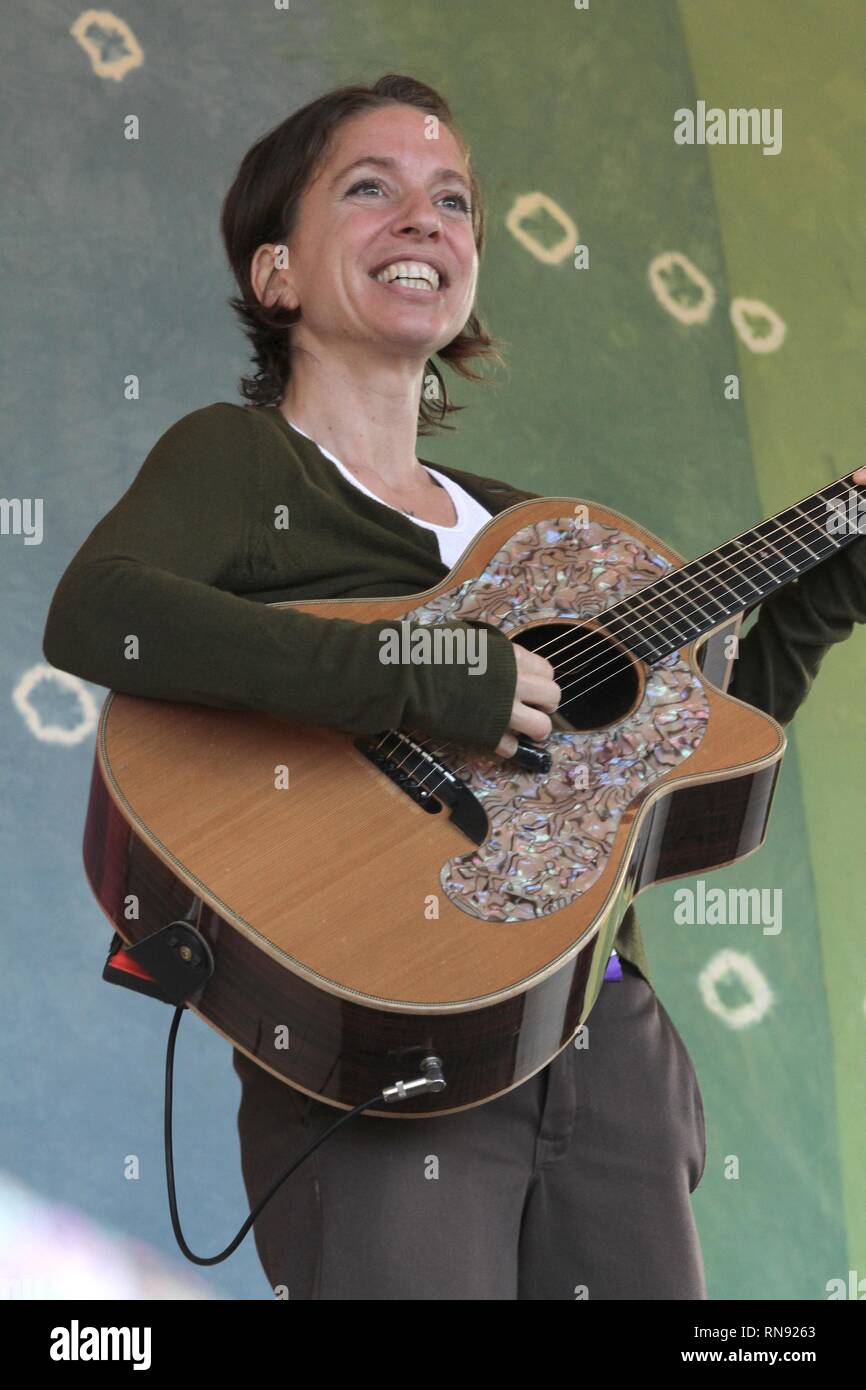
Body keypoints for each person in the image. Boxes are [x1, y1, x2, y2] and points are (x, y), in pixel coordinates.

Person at [43, 75, 866, 1300]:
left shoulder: (540, 533)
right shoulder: (243, 461)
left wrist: (823, 592)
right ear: (276, 276)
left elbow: (667, 751)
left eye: (452, 201)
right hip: (385, 1041)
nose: (423, 218)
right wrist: (421, 673)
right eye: (368, 190)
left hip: (604, 1038)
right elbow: (101, 613)